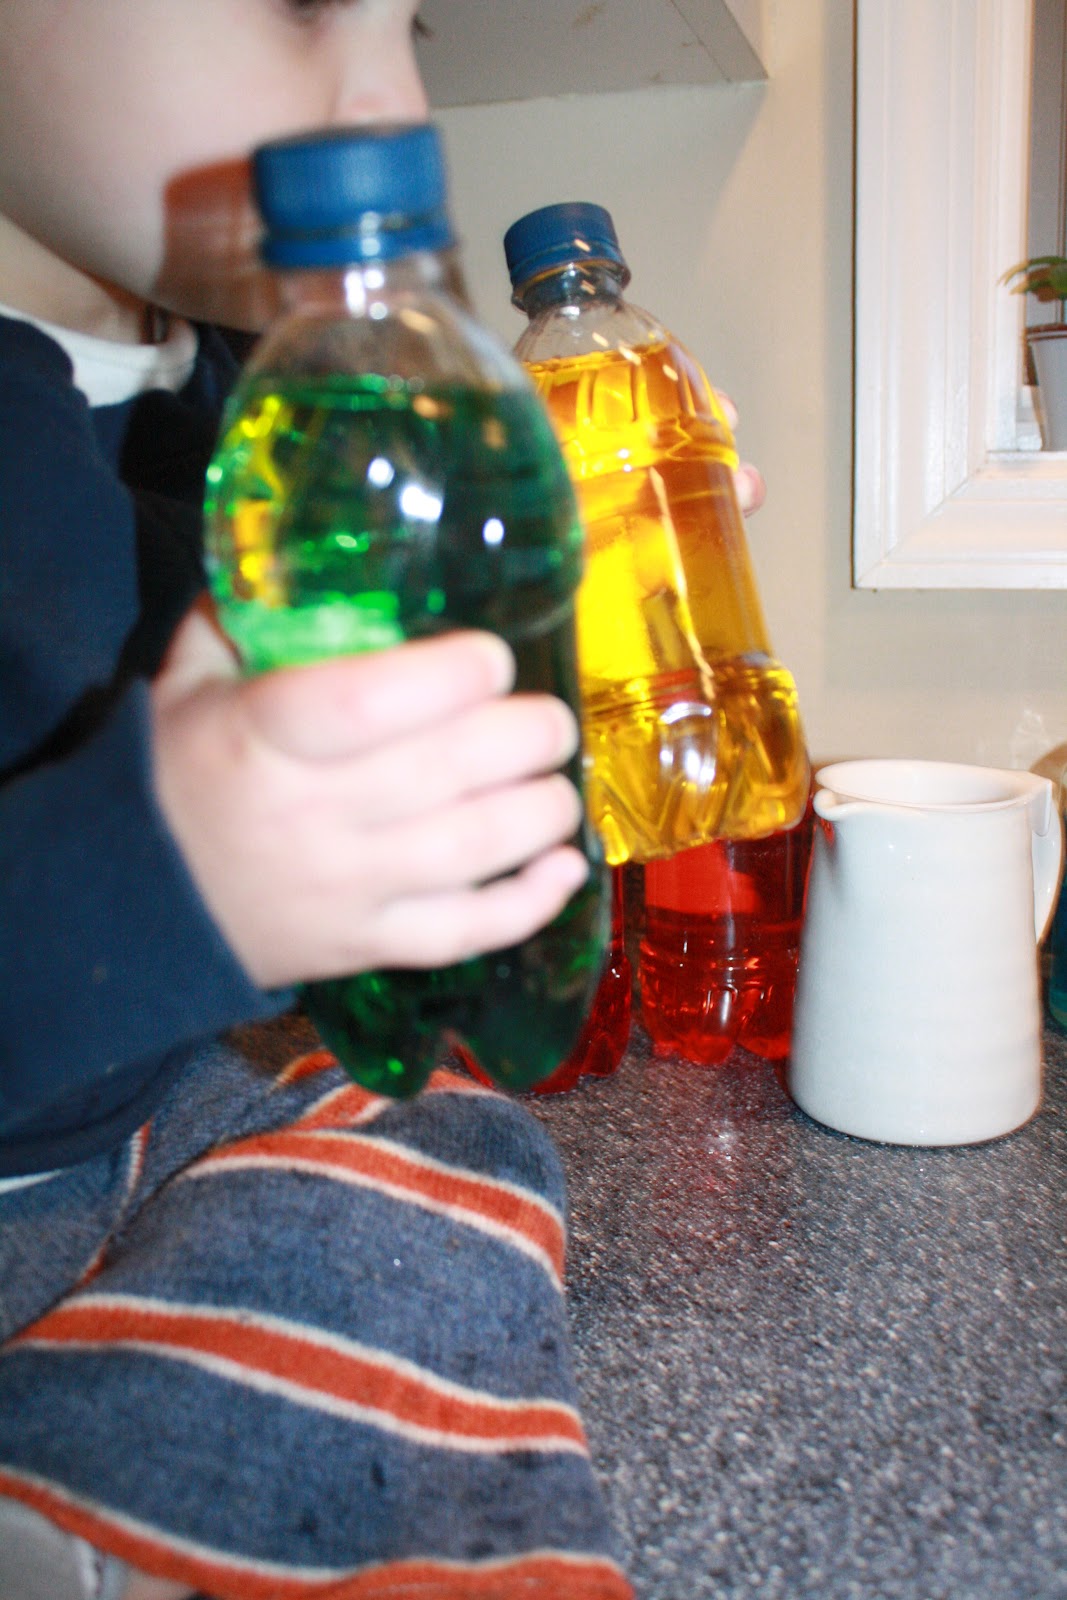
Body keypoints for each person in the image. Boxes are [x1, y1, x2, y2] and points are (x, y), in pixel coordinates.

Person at [0, 5, 762, 1597]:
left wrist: (573, 579)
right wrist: (167, 869)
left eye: (407, 20)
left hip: (127, 1123)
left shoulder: (247, 395)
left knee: (436, 1158)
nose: (389, 96)